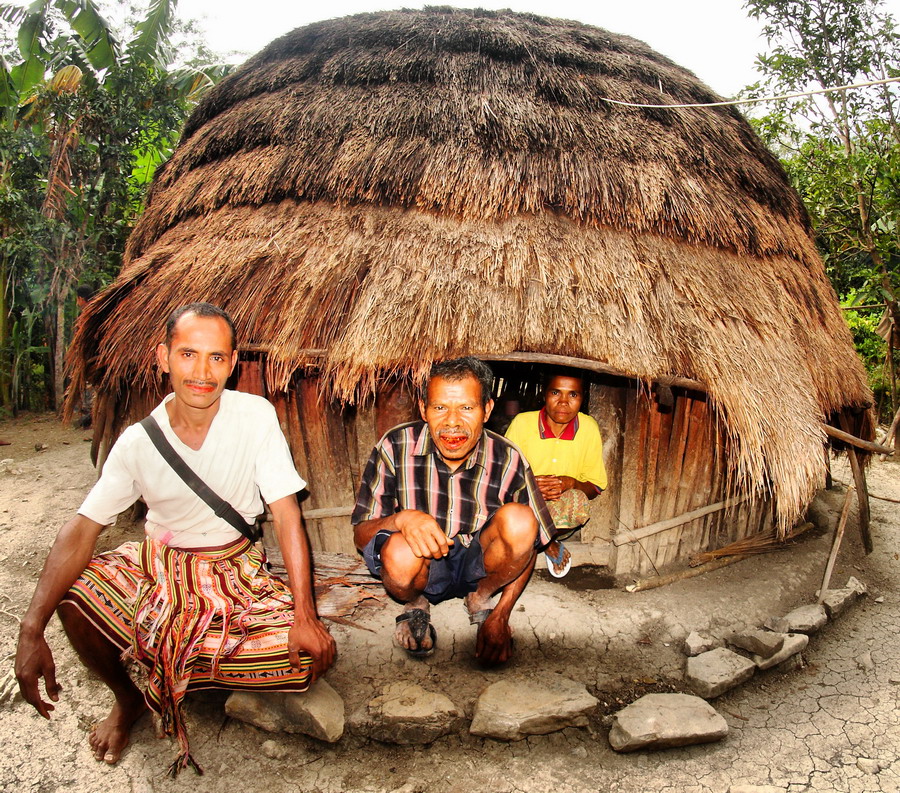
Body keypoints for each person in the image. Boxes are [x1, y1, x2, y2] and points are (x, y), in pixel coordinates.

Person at [15, 303, 335, 776]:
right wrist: (30, 628)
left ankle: (180, 665)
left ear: (232, 363)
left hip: (234, 574)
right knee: (74, 600)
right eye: (188, 354)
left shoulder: (255, 417)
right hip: (159, 568)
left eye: (216, 358)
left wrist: (304, 615)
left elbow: (286, 514)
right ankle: (129, 701)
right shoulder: (137, 442)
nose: (202, 372)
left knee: (304, 661)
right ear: (162, 356)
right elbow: (83, 527)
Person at [352, 357, 555, 665]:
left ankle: (481, 599)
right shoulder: (394, 446)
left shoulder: (509, 458)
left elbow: (532, 545)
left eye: (467, 408)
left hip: (479, 566)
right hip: (425, 567)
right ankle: (415, 604)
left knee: (521, 520)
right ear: (423, 409)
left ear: (487, 410)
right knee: (397, 549)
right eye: (440, 408)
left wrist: (501, 614)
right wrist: (402, 519)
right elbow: (361, 534)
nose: (452, 422)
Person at [505, 370, 607, 578]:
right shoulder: (522, 424)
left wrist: (571, 483)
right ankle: (547, 543)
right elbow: (500, 475)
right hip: (524, 506)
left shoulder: (588, 428)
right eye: (555, 393)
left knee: (577, 501)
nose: (563, 402)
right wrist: (530, 487)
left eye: (573, 395)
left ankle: (537, 541)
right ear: (544, 395)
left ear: (582, 398)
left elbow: (595, 486)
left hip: (559, 512)